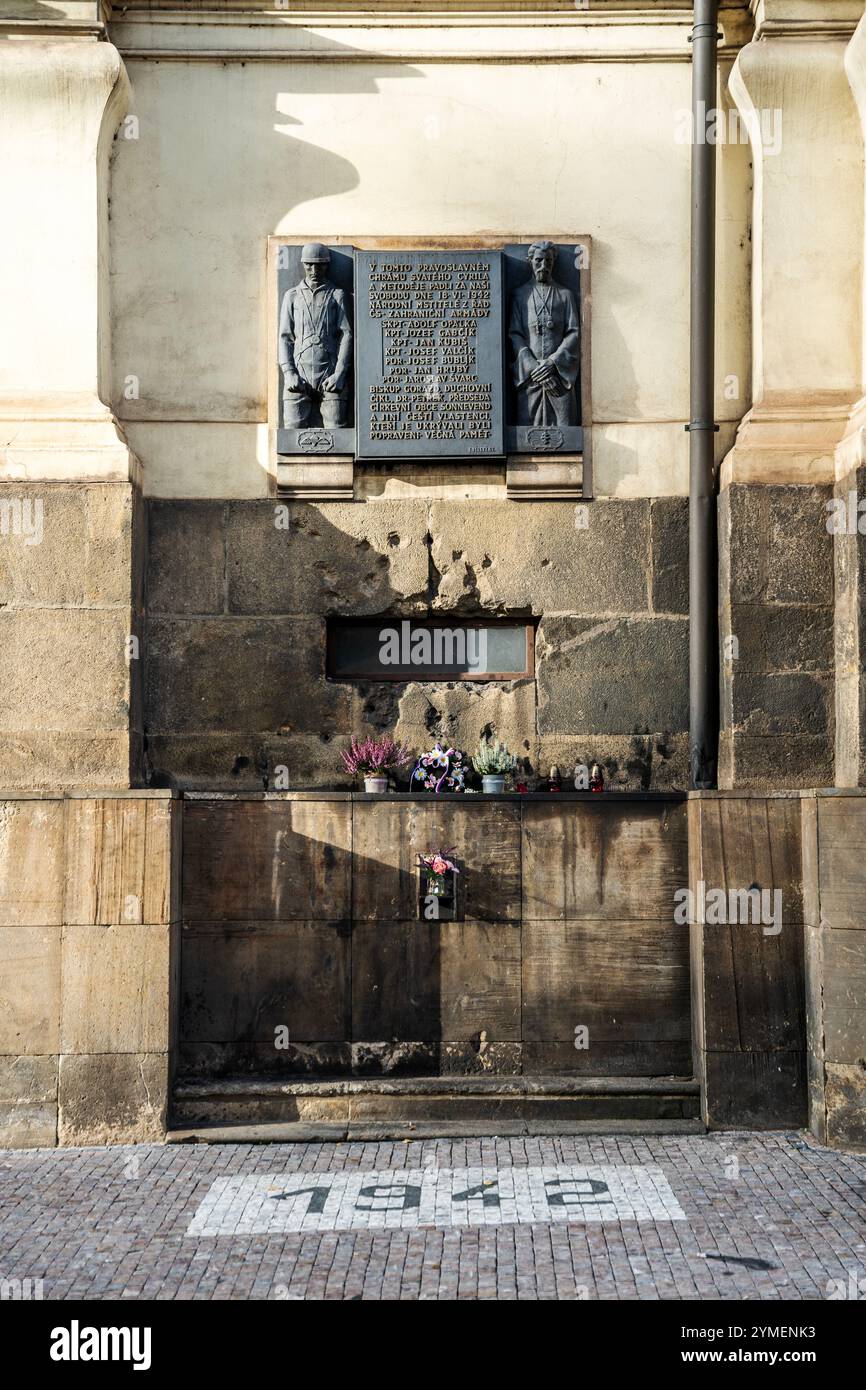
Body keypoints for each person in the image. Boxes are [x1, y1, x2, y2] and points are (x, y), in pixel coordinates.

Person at [279, 243, 353, 428]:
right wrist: (289, 374)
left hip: (330, 374)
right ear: (303, 264)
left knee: (337, 433)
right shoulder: (292, 296)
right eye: (309, 265)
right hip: (299, 375)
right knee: (291, 435)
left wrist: (340, 374)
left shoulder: (337, 295)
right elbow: (285, 337)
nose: (314, 270)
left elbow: (347, 335)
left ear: (327, 265)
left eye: (319, 265)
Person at [509, 241, 580, 427]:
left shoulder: (565, 295)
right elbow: (515, 334)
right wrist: (533, 367)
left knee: (564, 430)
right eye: (539, 260)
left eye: (548, 261)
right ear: (530, 261)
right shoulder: (520, 295)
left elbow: (573, 333)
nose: (543, 266)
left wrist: (552, 363)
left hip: (559, 377)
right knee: (527, 429)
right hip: (530, 378)